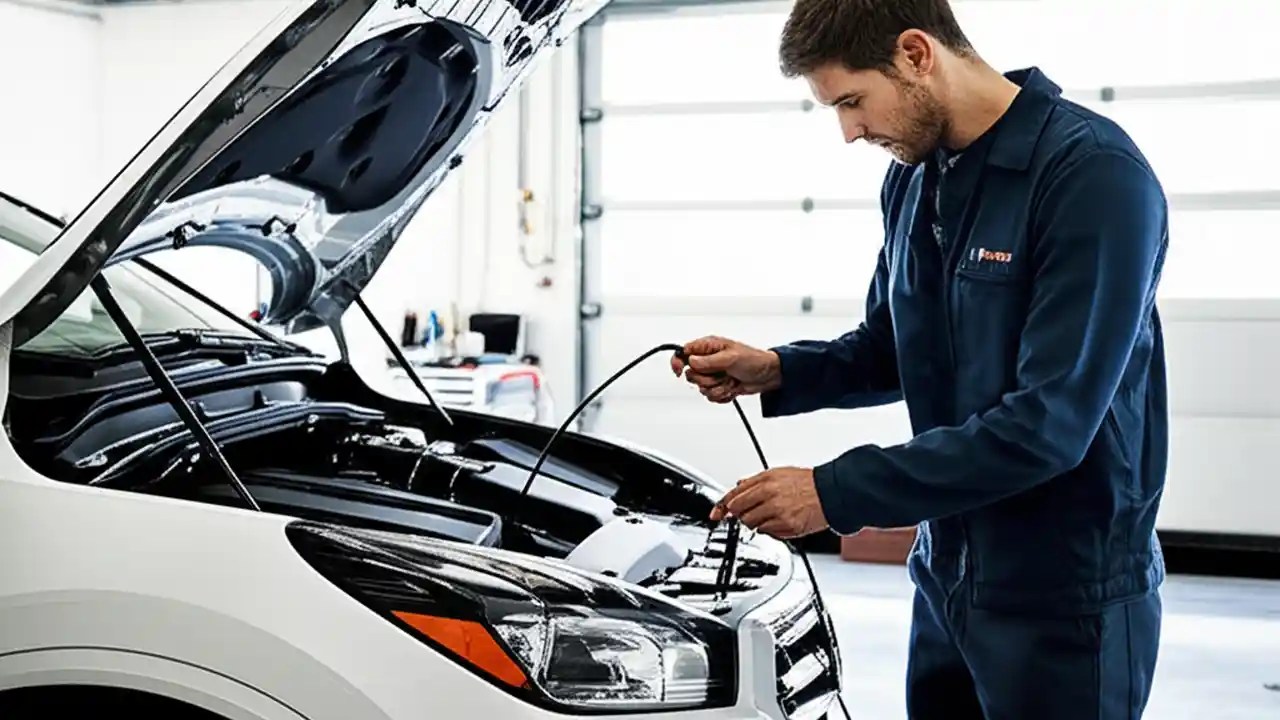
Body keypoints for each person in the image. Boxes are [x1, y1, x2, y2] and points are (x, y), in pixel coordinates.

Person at [669, 1, 1169, 718]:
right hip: (948, 575)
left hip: (1064, 599)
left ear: (915, 53)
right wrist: (778, 368)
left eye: (850, 101)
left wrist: (832, 493)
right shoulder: (914, 176)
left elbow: (1047, 425)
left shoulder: (1092, 177)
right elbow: (895, 348)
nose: (849, 131)